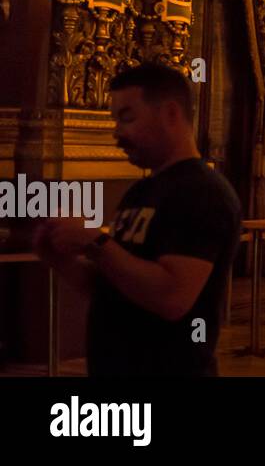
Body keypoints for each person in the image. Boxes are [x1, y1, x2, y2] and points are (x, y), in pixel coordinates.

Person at [34, 64, 241, 376]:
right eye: (116, 119)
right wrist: (60, 259)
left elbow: (172, 297)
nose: (117, 131)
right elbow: (112, 285)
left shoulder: (202, 192)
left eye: (127, 117)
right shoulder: (141, 191)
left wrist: (94, 241)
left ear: (170, 114)